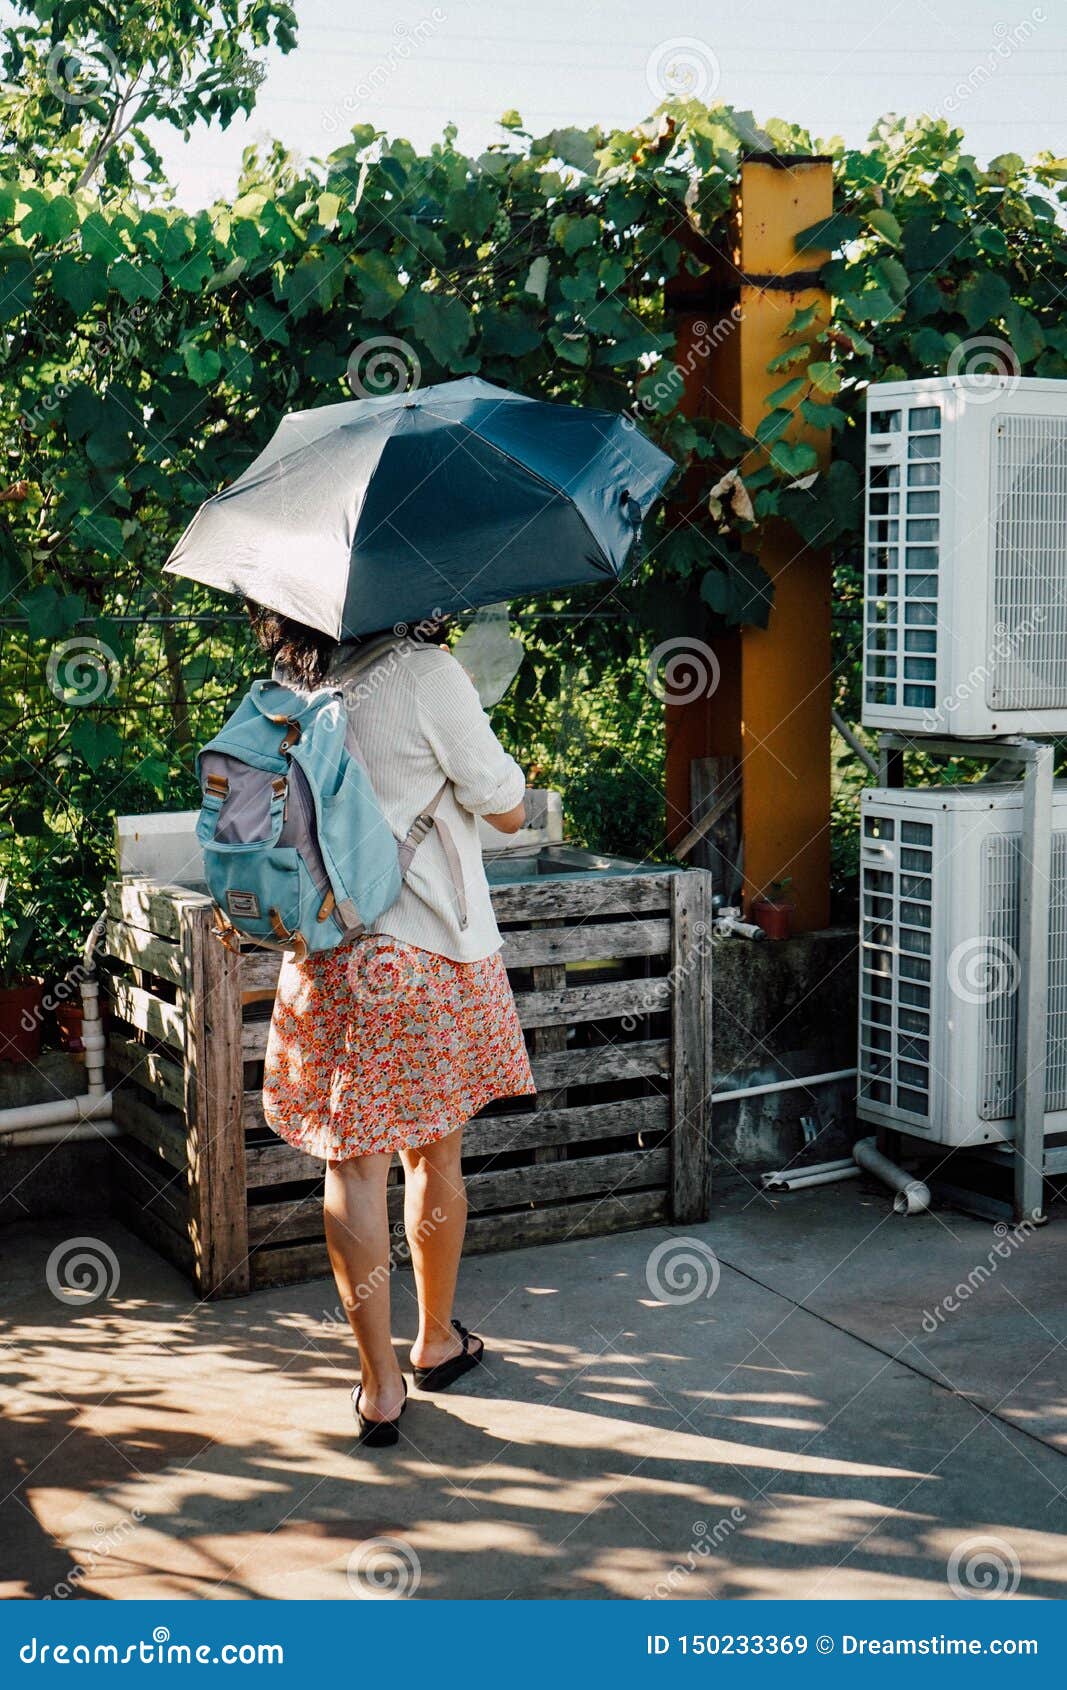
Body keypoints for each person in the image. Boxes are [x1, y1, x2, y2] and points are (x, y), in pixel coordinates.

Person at [248, 604, 535, 1446]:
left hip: (326, 952)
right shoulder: (422, 674)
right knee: (432, 1148)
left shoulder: (294, 685)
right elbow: (507, 805)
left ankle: (378, 1388)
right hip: (421, 955)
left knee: (354, 1163)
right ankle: (436, 1341)